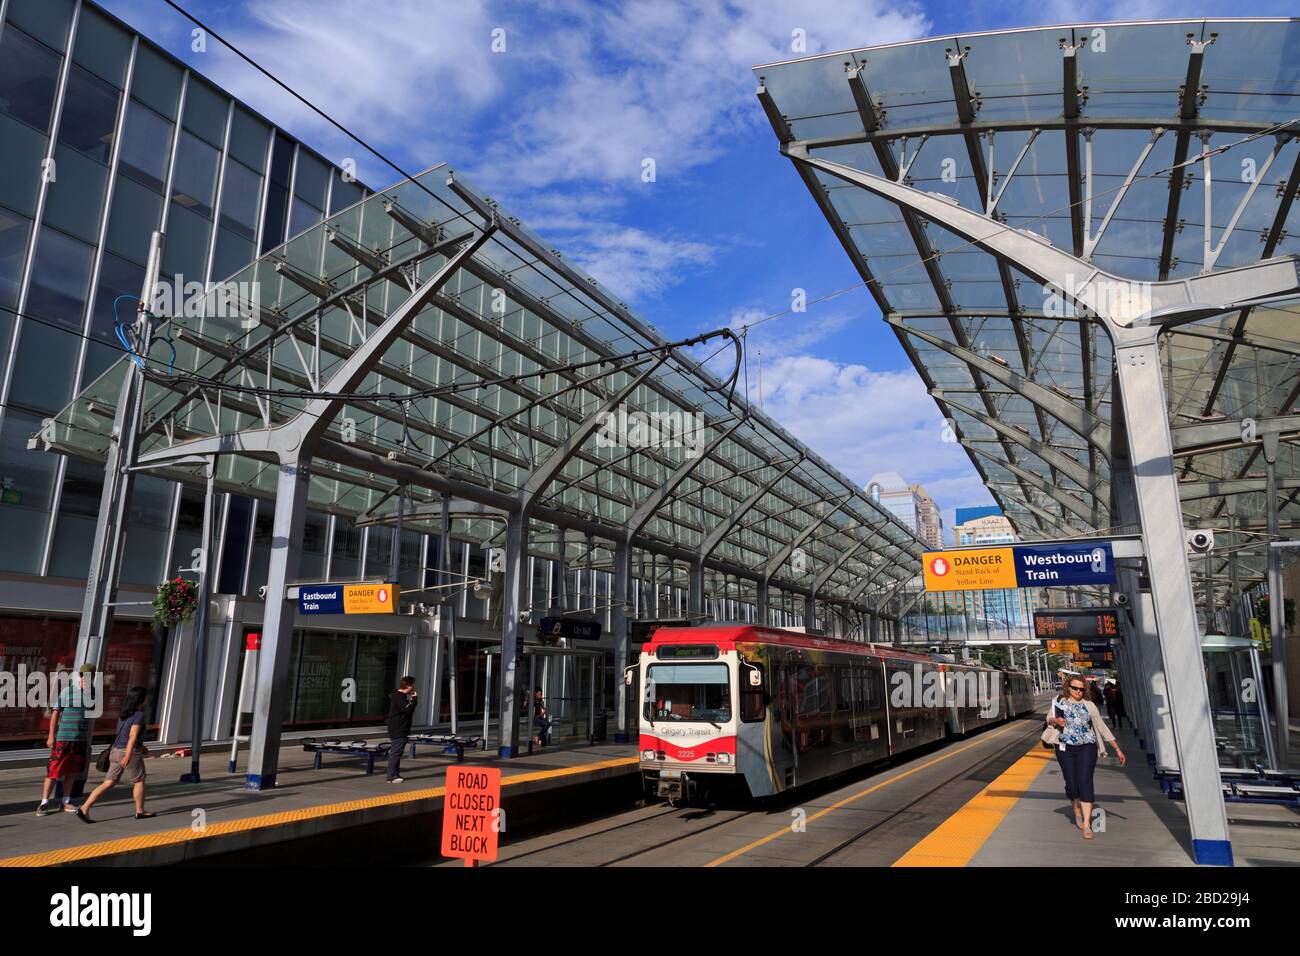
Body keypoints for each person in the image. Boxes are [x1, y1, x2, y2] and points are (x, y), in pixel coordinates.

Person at [1047, 677, 1126, 840]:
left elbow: (1101, 727)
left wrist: (1117, 749)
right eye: (1075, 688)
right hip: (1064, 748)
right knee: (1071, 782)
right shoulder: (1059, 701)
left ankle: (1087, 824)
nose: (1078, 691)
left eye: (1081, 689)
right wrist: (1056, 720)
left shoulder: (1089, 705)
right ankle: (1076, 809)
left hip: (1087, 747)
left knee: (1085, 781)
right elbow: (1049, 719)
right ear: (1068, 687)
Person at [76, 687, 153, 823]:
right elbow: (132, 736)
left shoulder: (124, 715)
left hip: (115, 751)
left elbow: (123, 735)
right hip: (127, 752)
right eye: (146, 696)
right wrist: (128, 755)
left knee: (108, 782)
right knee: (139, 781)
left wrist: (142, 748)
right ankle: (140, 811)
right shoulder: (138, 715)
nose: (148, 698)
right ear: (140, 698)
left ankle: (84, 808)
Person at [37, 665, 95, 816]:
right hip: (63, 738)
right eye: (83, 676)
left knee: (72, 771)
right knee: (53, 771)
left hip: (80, 739)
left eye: (89, 676)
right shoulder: (67, 691)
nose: (85, 679)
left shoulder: (93, 694)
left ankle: (65, 801)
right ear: (80, 677)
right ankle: (44, 802)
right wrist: (51, 735)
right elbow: (55, 713)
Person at [385, 676, 418, 783]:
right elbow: (407, 709)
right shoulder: (399, 697)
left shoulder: (399, 696)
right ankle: (391, 776)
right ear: (408, 685)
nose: (414, 686)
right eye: (413, 684)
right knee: (396, 752)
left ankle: (395, 774)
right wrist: (414, 700)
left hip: (398, 728)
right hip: (399, 728)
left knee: (397, 752)